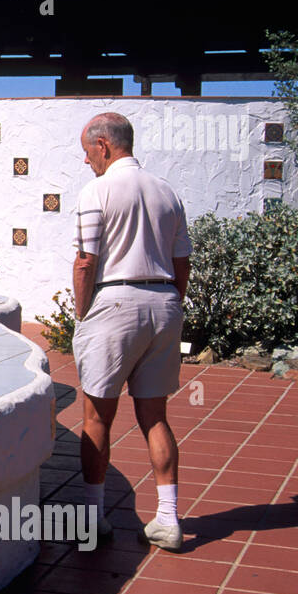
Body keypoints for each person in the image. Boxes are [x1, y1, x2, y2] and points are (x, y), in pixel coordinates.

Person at [70, 112, 192, 551]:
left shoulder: (96, 190)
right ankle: (168, 518)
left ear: (103, 145)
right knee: (155, 416)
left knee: (97, 415)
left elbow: (86, 261)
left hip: (114, 303)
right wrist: (170, 303)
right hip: (164, 304)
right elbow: (182, 264)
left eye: (88, 152)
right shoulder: (167, 192)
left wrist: (82, 314)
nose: (86, 162)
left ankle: (92, 517)